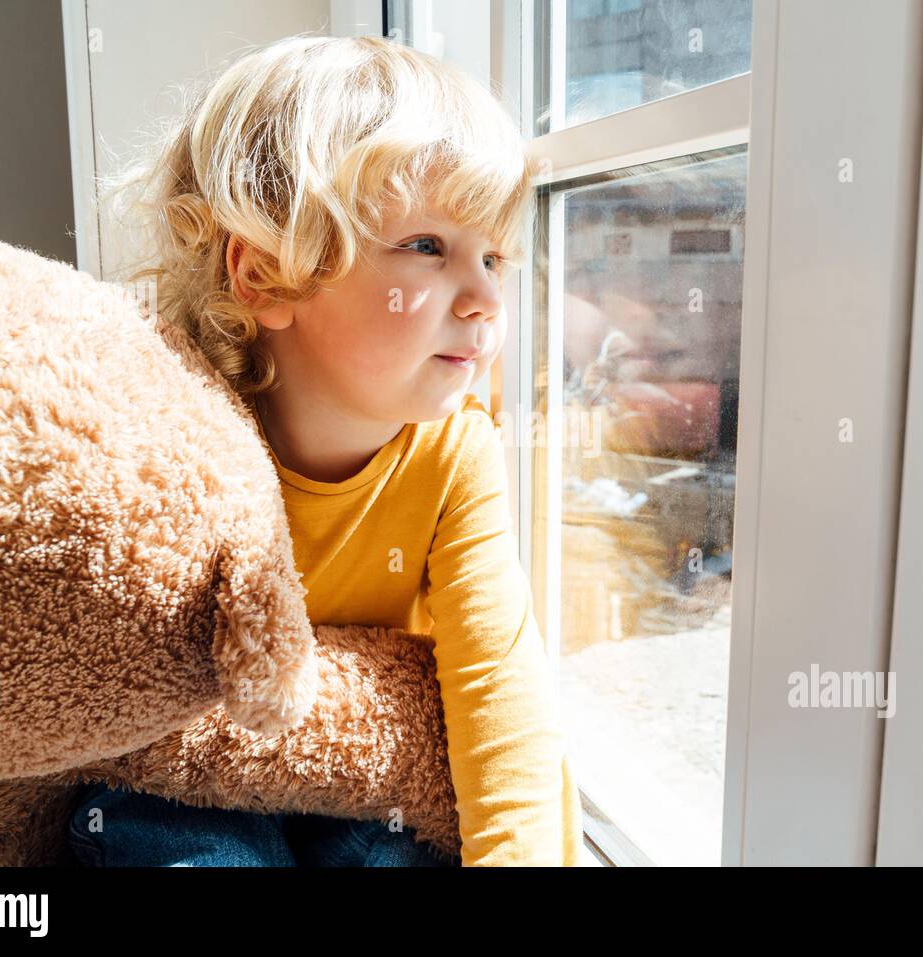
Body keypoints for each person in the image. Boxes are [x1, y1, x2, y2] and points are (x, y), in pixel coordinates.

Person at [68, 33, 583, 867]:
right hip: (186, 773)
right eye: (428, 246)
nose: (489, 295)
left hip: (359, 788)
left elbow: (499, 685)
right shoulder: (177, 427)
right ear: (267, 277)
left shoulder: (456, 451)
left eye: (493, 255)